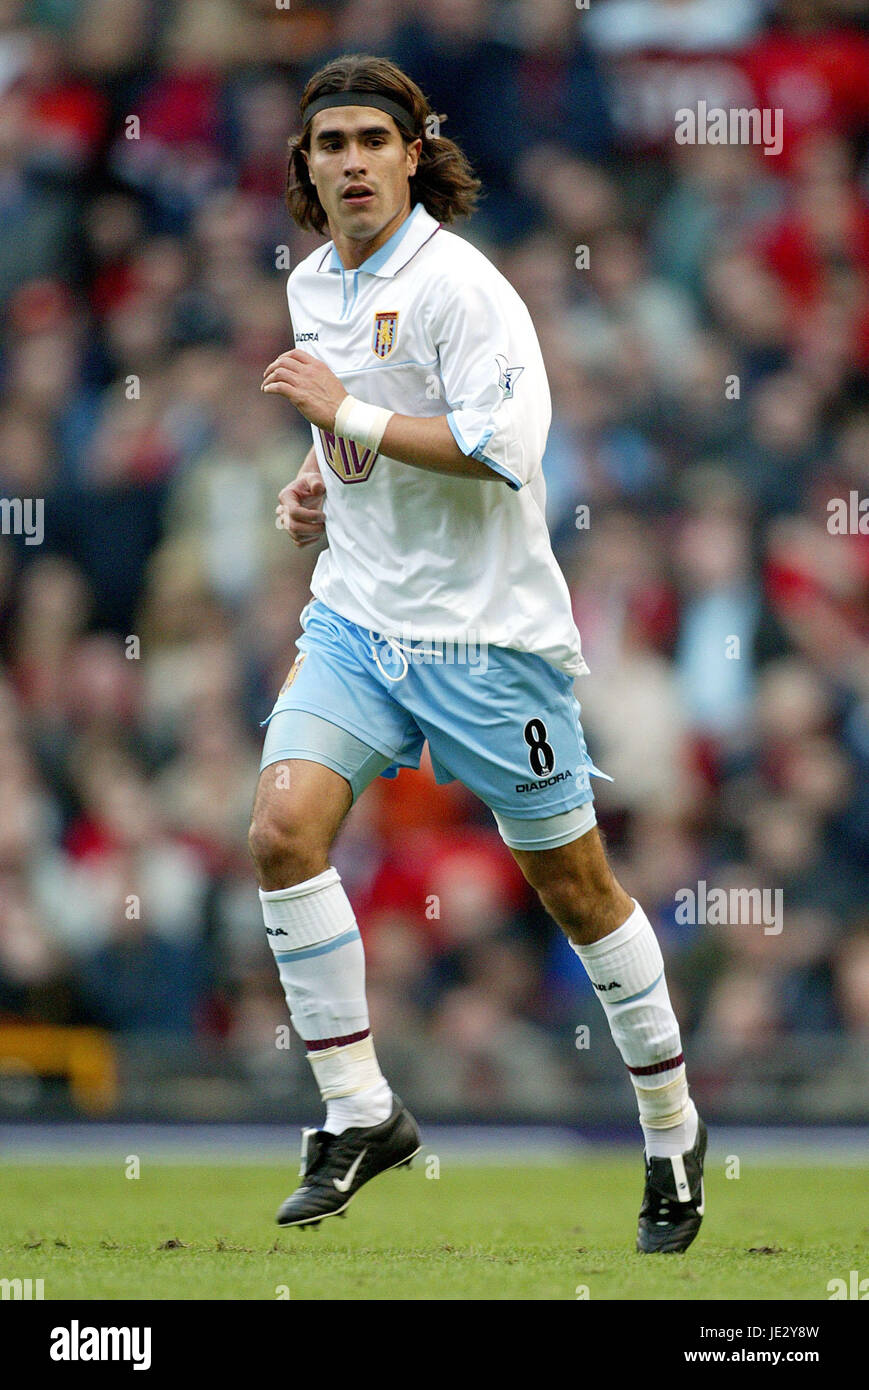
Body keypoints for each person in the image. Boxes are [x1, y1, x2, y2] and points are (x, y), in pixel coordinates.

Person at [250, 53, 705, 1252]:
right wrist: (317, 481)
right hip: (355, 620)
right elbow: (360, 438)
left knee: (577, 891)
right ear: (305, 164)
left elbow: (499, 447)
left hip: (485, 643)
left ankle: (668, 1124)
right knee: (279, 831)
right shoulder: (310, 286)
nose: (349, 161)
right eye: (328, 142)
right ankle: (360, 1110)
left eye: (370, 141)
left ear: (412, 154)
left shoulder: (464, 288)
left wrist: (339, 417)